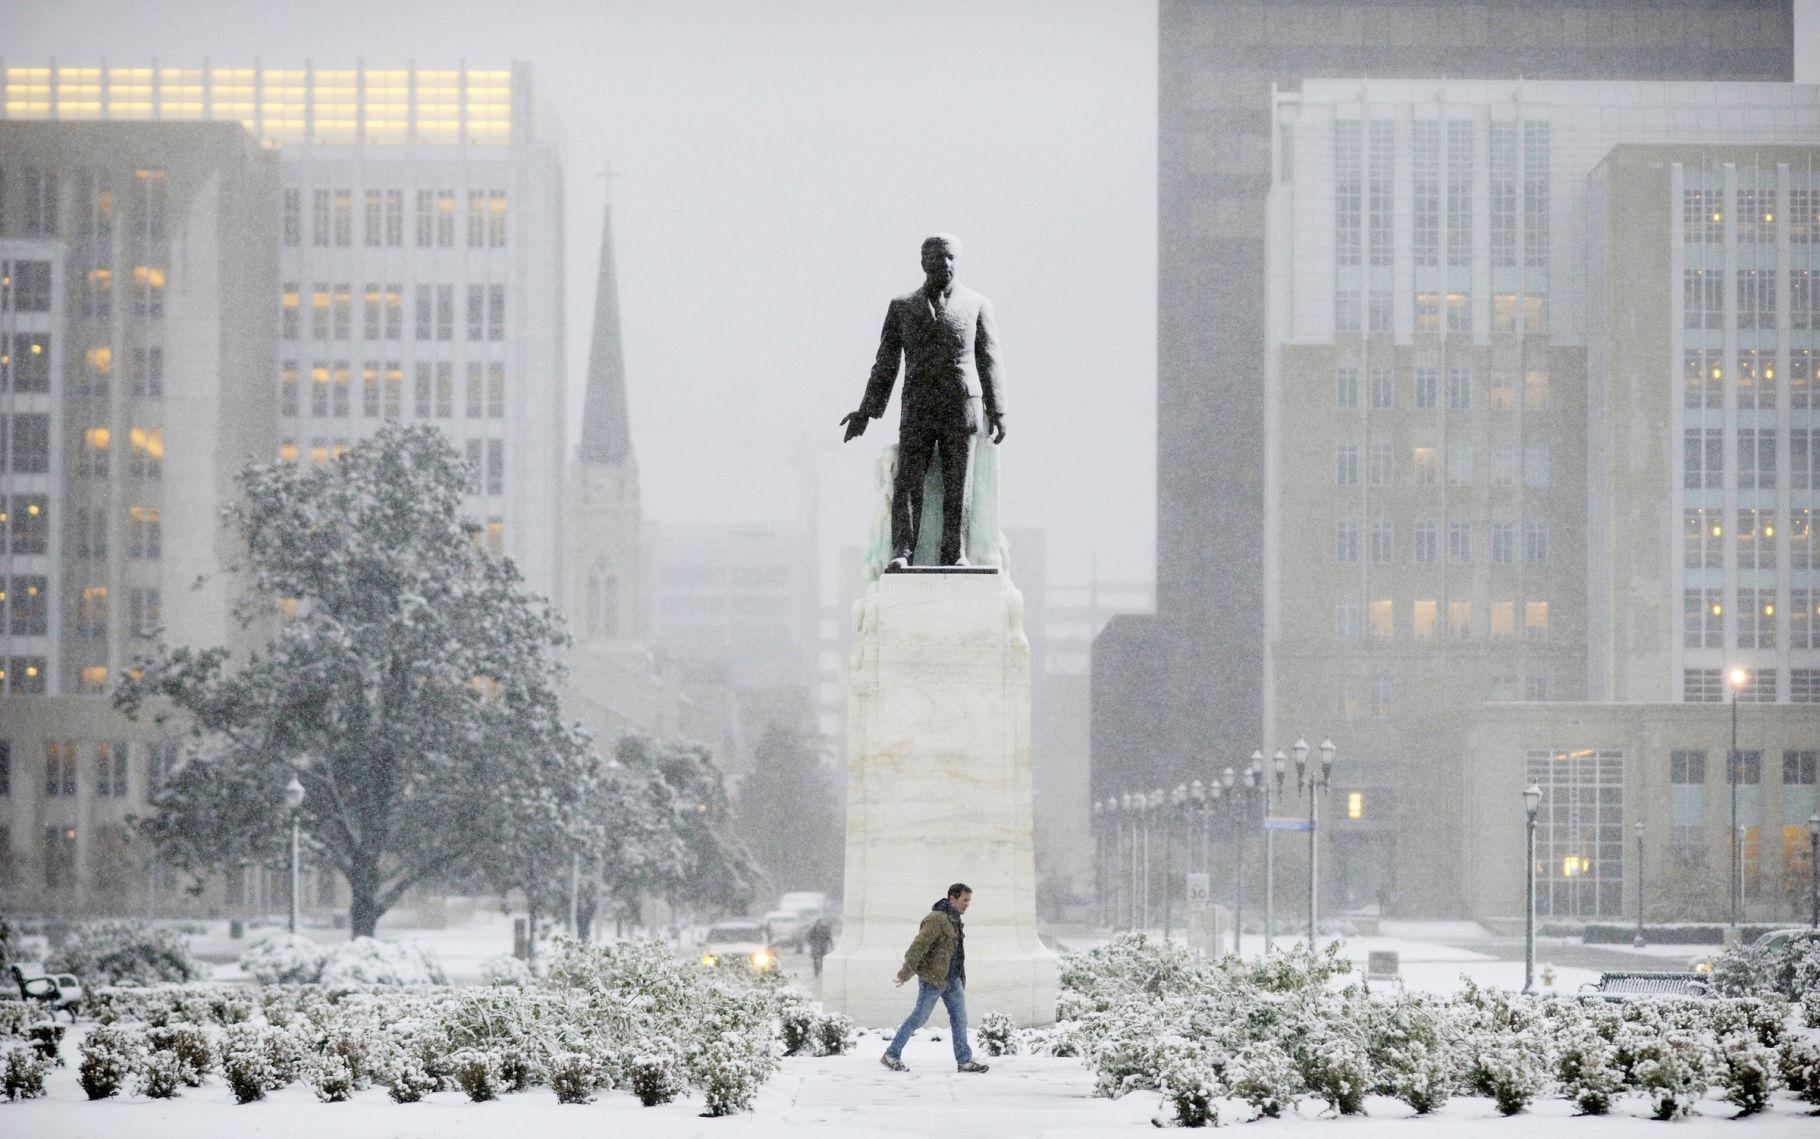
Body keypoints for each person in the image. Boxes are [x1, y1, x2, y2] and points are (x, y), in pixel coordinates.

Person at [839, 234, 1006, 569]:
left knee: (959, 484)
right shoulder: (902, 306)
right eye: (935, 257)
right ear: (922, 262)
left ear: (957, 261)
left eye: (949, 257)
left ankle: (954, 553)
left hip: (962, 405)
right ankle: (902, 551)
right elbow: (886, 362)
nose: (943, 263)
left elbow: (989, 359)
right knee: (908, 480)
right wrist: (867, 411)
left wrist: (998, 409)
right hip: (918, 404)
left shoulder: (976, 304)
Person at [879, 883, 989, 1073]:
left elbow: (956, 952)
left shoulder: (954, 919)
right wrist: (906, 972)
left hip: (953, 980)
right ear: (952, 898)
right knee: (918, 1019)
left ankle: (964, 1061)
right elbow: (918, 947)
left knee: (960, 1020)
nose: (967, 904)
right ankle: (891, 1054)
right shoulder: (936, 919)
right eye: (965, 900)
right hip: (933, 980)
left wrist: (961, 977)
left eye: (969, 900)